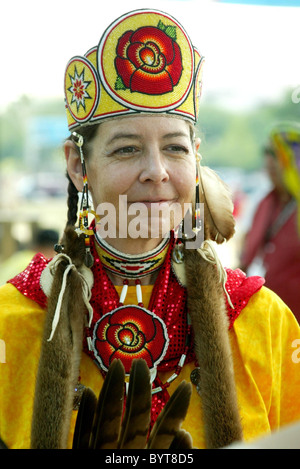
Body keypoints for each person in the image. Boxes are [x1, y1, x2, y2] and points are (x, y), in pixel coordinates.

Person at [0, 9, 299, 450]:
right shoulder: (14, 322)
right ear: (78, 164)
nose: (156, 172)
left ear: (195, 159)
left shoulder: (264, 324)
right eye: (127, 149)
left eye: (175, 148)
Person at [240, 124, 300, 323]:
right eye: (266, 153)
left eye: (275, 154)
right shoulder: (264, 202)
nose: (269, 161)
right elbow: (247, 254)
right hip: (272, 315)